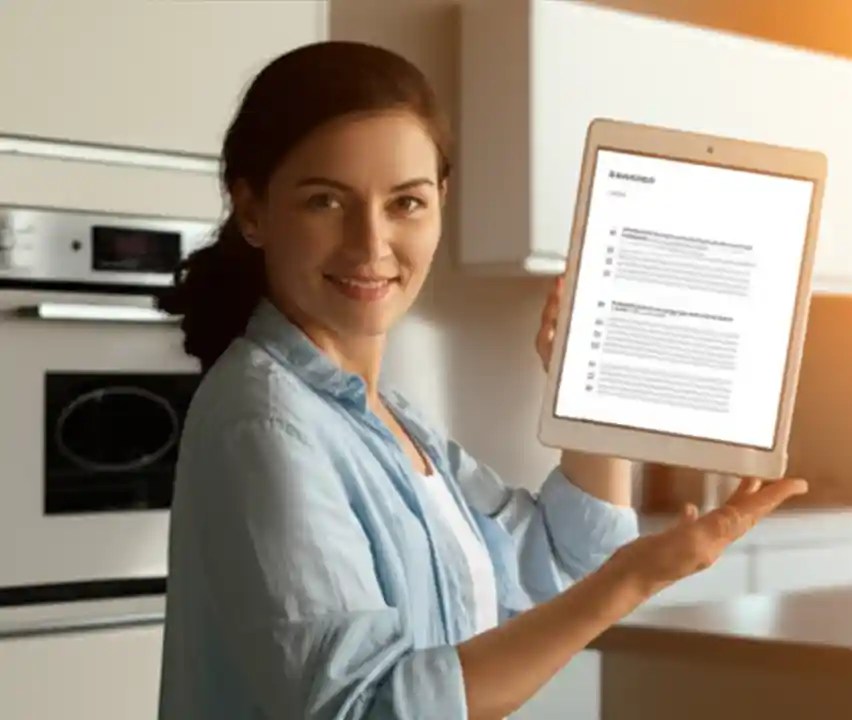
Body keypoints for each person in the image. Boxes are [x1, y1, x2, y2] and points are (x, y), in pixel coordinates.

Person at [155, 40, 808, 720]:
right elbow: (368, 710)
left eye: (405, 204)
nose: (371, 245)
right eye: (326, 201)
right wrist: (639, 576)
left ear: (440, 201)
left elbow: (557, 566)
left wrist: (586, 388)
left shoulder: (385, 419)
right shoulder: (267, 422)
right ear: (254, 210)